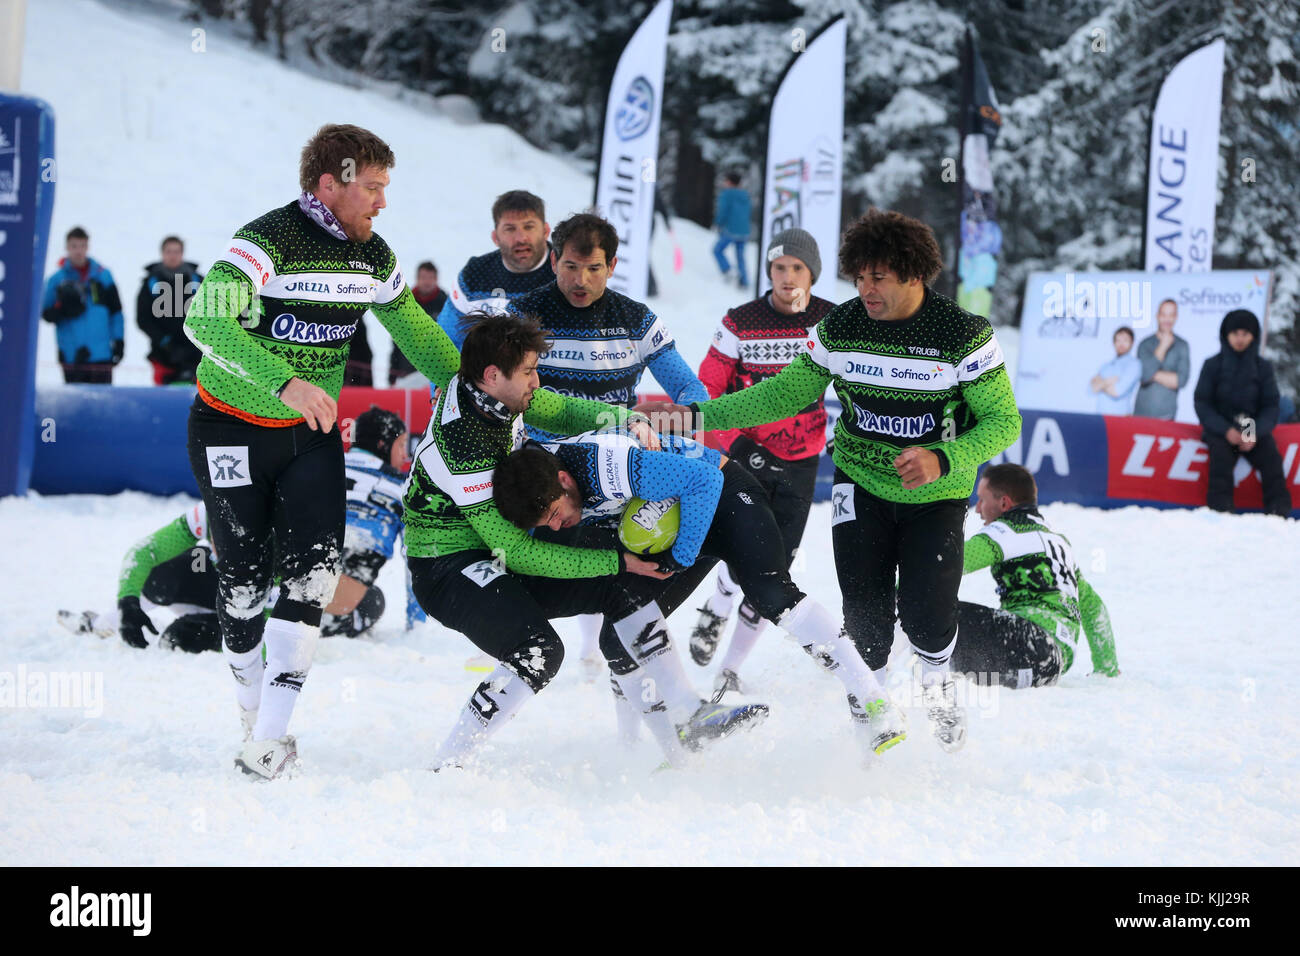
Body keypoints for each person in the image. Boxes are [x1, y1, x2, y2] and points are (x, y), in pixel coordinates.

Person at [637, 208, 1023, 752]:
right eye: (859, 276)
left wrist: (943, 455)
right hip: (858, 483)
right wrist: (698, 417)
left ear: (913, 274)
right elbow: (781, 393)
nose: (864, 288)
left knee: (926, 618)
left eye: (878, 278)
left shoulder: (963, 334)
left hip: (936, 495)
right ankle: (873, 725)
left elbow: (1004, 421)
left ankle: (936, 682)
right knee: (865, 625)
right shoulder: (841, 326)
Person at [182, 123, 463, 779]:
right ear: (328, 184)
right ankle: (250, 710)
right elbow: (204, 319)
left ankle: (270, 739)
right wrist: (285, 380)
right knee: (246, 586)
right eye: (371, 188)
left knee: (312, 575)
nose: (381, 202)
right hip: (230, 427)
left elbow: (421, 340)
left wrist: (487, 391)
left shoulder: (372, 256)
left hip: (310, 437)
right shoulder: (265, 240)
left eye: (385, 188)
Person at [404, 312, 766, 771]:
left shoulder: (495, 394)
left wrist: (627, 419)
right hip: (446, 565)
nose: (537, 380)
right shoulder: (465, 445)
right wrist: (616, 561)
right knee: (539, 651)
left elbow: (560, 409)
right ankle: (449, 765)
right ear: (493, 376)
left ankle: (685, 729)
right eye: (530, 371)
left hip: (490, 546)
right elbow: (518, 553)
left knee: (622, 589)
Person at [492, 432, 908, 759]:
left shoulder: (604, 467)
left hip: (725, 495)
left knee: (770, 593)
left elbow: (704, 480)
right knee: (618, 636)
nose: (557, 526)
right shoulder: (540, 469)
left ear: (565, 481)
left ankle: (874, 702)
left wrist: (683, 556)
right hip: (671, 520)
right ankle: (655, 754)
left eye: (553, 515)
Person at [504, 211, 709, 676]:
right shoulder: (523, 315)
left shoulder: (637, 320)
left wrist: (671, 429)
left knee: (624, 613)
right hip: (550, 481)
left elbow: (692, 393)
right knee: (541, 597)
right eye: (572, 266)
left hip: (617, 478)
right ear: (553, 260)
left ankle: (642, 724)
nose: (581, 280)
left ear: (612, 265)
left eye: (594, 268)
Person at [57, 406, 409, 652]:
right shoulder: (219, 507)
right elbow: (145, 551)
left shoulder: (267, 506)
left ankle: (190, 626)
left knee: (237, 587)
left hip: (281, 586)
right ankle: (123, 621)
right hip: (281, 590)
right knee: (180, 571)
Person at [689, 228, 835, 695]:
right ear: (768, 272)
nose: (788, 277)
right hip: (748, 451)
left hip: (804, 457)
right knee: (747, 548)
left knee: (779, 566)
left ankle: (731, 669)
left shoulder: (833, 320)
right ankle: (719, 602)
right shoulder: (740, 321)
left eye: (797, 268)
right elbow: (708, 387)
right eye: (779, 268)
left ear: (812, 273)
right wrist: (726, 444)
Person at [952, 464, 1119, 688]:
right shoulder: (1060, 545)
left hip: (1027, 646)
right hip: (1051, 667)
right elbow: (1094, 608)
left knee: (931, 612)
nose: (978, 509)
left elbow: (948, 566)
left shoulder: (1006, 532)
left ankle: (899, 674)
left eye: (982, 499)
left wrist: (897, 591)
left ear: (1004, 503)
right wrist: (1106, 671)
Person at [1193, 309, 1292, 516]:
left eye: (1245, 334)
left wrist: (1252, 431)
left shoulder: (1262, 367)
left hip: (1251, 427)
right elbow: (1202, 403)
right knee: (1219, 463)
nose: (1239, 339)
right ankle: (1220, 513)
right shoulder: (1212, 365)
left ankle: (1279, 515)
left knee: (1272, 462)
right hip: (1221, 429)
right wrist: (1225, 430)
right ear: (1226, 335)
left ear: (1253, 337)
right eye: (1235, 333)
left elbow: (1270, 405)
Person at [436, 190, 554, 349]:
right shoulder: (474, 276)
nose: (520, 238)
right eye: (510, 229)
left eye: (529, 227)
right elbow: (446, 342)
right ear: (495, 237)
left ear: (546, 231)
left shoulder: (567, 273)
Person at [40, 226, 124, 384]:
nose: (78, 251)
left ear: (87, 247)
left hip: (101, 354)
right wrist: (62, 310)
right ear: (66, 247)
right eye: (73, 246)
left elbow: (116, 312)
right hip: (72, 355)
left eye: (82, 246)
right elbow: (45, 313)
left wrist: (119, 341)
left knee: (102, 404)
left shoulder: (103, 276)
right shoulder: (56, 280)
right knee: (76, 405)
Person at [136, 236, 204, 385]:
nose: (173, 255)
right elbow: (143, 319)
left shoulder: (198, 280)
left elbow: (210, 313)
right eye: (169, 251)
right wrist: (165, 342)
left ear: (182, 253)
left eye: (176, 251)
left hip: (196, 358)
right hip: (163, 356)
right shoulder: (150, 283)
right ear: (162, 253)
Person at [389, 260, 447, 385]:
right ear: (417, 278)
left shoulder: (445, 303)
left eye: (430, 278)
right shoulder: (404, 302)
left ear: (436, 279)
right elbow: (396, 340)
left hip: (437, 368)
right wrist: (392, 377)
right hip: (408, 369)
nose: (427, 282)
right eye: (423, 277)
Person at [1133, 298, 1190, 420]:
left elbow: (1181, 381)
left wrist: (1151, 374)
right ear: (1157, 316)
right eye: (1164, 314)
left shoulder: (1182, 345)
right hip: (1140, 414)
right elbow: (1143, 376)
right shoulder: (1145, 344)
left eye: (1171, 315)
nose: (1167, 319)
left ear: (1176, 317)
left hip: (1166, 416)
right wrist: (1163, 346)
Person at [1089, 325, 1140, 415]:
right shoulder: (1106, 366)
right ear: (1114, 342)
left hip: (1121, 418)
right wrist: (1109, 381)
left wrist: (1101, 383)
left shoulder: (1134, 364)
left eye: (1125, 340)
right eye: (1118, 340)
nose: (1121, 344)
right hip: (1101, 417)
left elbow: (1117, 392)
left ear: (1132, 342)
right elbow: (1091, 389)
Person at [712, 172, 751, 289]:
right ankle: (744, 280)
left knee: (717, 250)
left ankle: (728, 270)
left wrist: (718, 223)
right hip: (744, 230)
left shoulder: (727, 194)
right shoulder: (745, 195)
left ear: (729, 182)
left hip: (731, 229)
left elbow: (723, 211)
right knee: (740, 255)